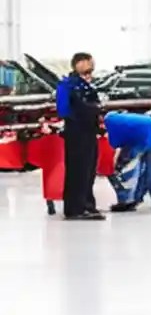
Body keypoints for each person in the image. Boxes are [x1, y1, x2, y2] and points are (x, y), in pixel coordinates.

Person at [57, 52, 104, 221]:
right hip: (76, 132)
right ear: (79, 64)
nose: (91, 71)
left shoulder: (88, 85)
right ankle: (75, 208)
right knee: (78, 170)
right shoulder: (67, 85)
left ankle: (87, 204)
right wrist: (87, 110)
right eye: (88, 65)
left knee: (89, 170)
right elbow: (64, 109)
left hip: (89, 131)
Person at [103, 111, 151, 212]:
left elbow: (115, 150)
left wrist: (116, 165)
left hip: (150, 136)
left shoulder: (111, 127)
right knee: (148, 171)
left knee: (149, 172)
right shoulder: (113, 119)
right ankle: (145, 199)